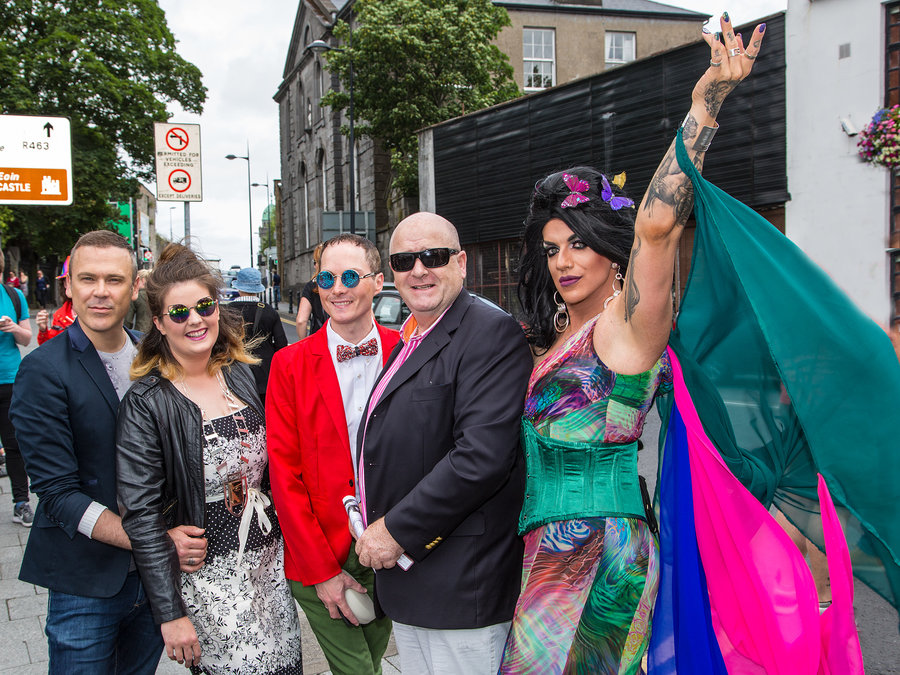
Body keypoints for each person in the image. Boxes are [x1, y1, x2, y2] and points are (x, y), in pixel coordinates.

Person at [499, 16, 766, 673]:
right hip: (550, 549)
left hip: (601, 551)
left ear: (609, 249)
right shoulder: (556, 334)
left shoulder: (627, 324)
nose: (565, 261)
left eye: (581, 243)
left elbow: (656, 224)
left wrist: (705, 105)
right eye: (553, 248)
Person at [10, 231, 201, 672]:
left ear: (134, 287)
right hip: (86, 584)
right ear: (68, 287)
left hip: (156, 584)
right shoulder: (43, 370)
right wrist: (157, 542)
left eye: (113, 279)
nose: (100, 291)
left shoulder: (156, 357)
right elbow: (58, 495)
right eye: (87, 279)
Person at [354, 213, 532, 674]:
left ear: (461, 262)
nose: (418, 270)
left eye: (433, 256)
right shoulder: (413, 335)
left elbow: (481, 459)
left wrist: (394, 531)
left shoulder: (489, 332)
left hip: (460, 585)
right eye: (404, 259)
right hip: (418, 586)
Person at [116, 243, 303, 673]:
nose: (195, 319)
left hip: (267, 563)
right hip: (207, 573)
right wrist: (170, 613)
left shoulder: (238, 372)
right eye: (179, 313)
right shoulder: (147, 402)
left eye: (203, 305)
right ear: (160, 324)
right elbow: (140, 513)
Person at [268, 233, 399, 675]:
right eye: (326, 277)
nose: (337, 288)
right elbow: (283, 475)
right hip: (322, 550)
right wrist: (322, 570)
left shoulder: (409, 350)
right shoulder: (288, 364)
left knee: (374, 660)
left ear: (378, 282)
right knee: (358, 670)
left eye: (349, 276)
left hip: (394, 548)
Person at [0, 248, 32, 527]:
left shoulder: (14, 296)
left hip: (9, 379)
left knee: (14, 445)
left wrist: (12, 328)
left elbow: (26, 338)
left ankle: (21, 502)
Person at [227, 266, 287, 405]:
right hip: (266, 375)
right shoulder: (269, 311)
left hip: (235, 373)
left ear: (239, 287)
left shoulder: (226, 311)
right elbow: (281, 344)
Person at [36, 257, 76, 345]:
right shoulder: (60, 315)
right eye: (70, 281)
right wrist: (43, 330)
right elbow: (50, 347)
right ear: (66, 284)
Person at [296, 242, 328, 339]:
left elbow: (301, 321)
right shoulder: (344, 283)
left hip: (318, 340)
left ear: (318, 264)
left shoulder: (312, 286)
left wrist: (303, 345)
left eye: (315, 262)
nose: (314, 265)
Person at [125, 268, 152, 333]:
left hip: (141, 332)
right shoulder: (156, 295)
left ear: (142, 280)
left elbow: (128, 320)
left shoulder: (137, 296)